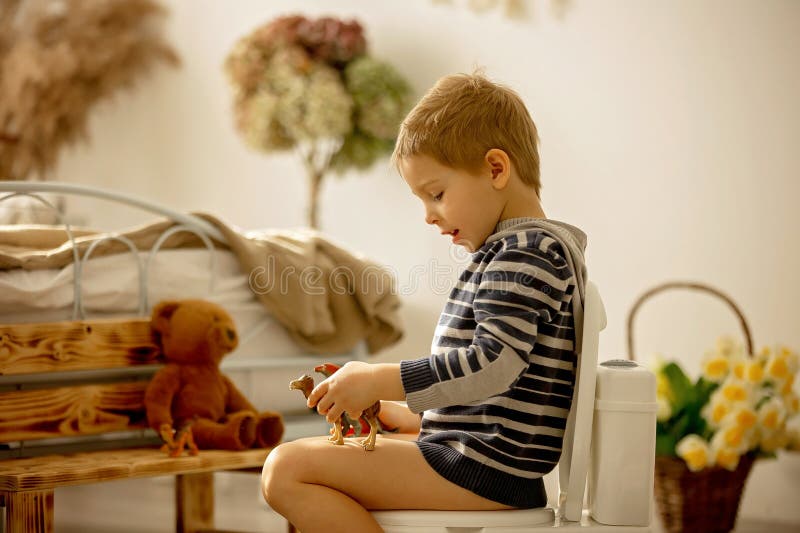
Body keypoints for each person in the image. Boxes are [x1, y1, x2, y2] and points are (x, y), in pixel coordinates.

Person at [261, 70, 588, 533]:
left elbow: (493, 363)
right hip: (487, 461)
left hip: (484, 469)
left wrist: (380, 379)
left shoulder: (524, 254)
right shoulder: (529, 251)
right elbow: (499, 390)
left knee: (286, 470)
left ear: (497, 169)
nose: (429, 216)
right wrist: (415, 416)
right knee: (315, 462)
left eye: (437, 193)